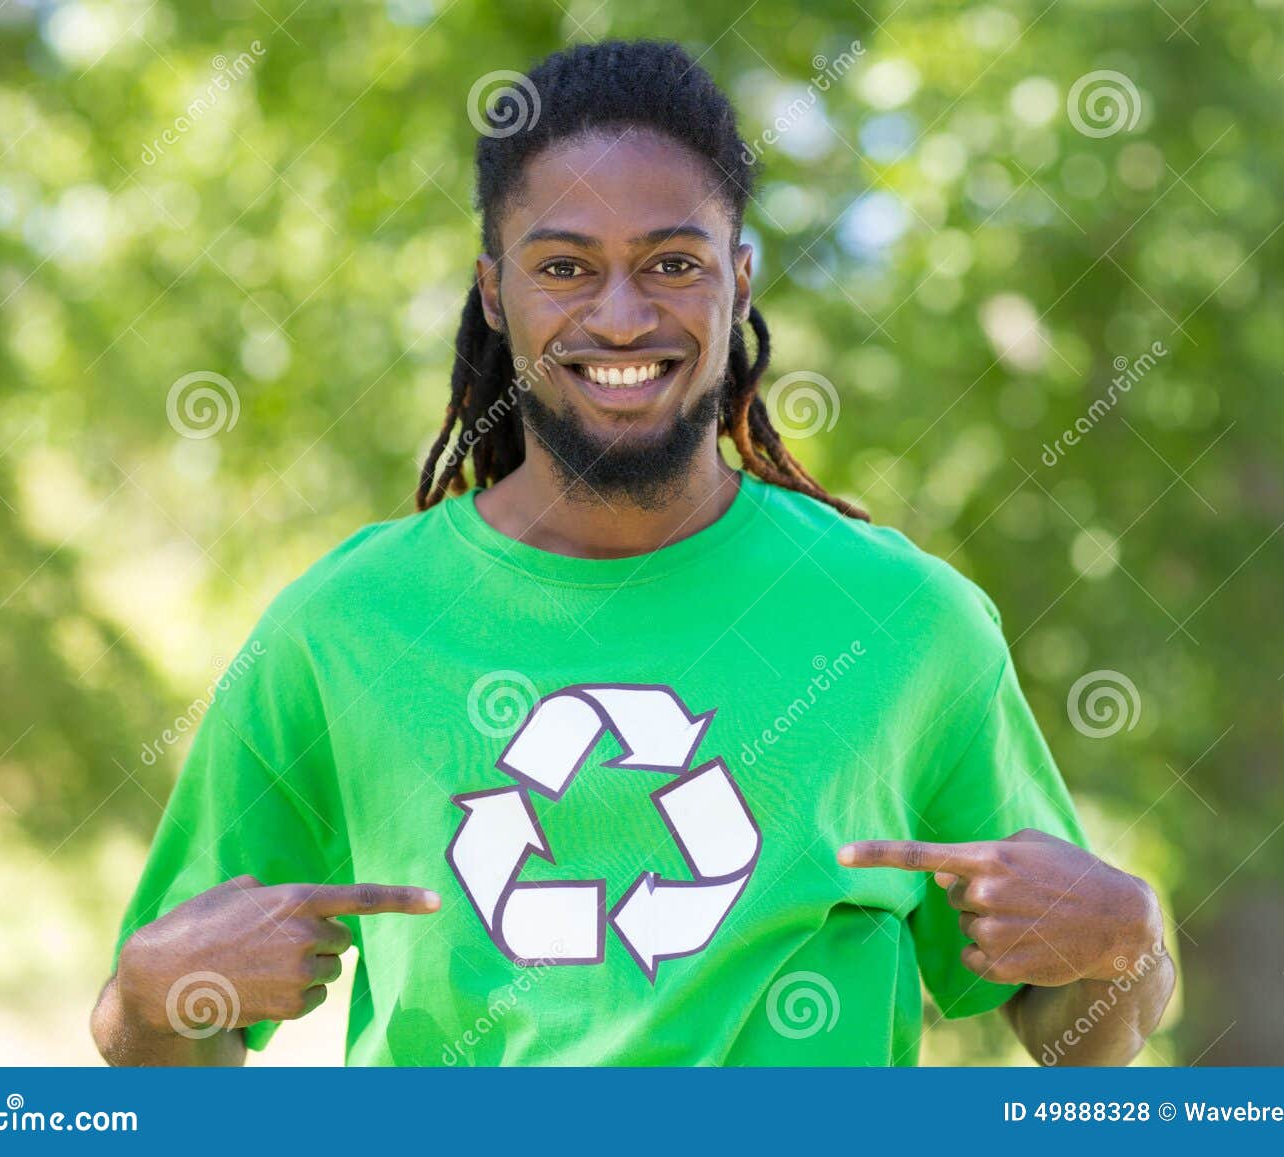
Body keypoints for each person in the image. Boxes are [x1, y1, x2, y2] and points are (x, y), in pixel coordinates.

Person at [91, 38, 1173, 1067]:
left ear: (738, 280)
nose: (620, 315)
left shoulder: (904, 619)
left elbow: (1072, 1024)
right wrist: (150, 995)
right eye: (564, 266)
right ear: (492, 290)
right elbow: (171, 1055)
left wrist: (1130, 944)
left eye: (671, 262)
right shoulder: (342, 625)